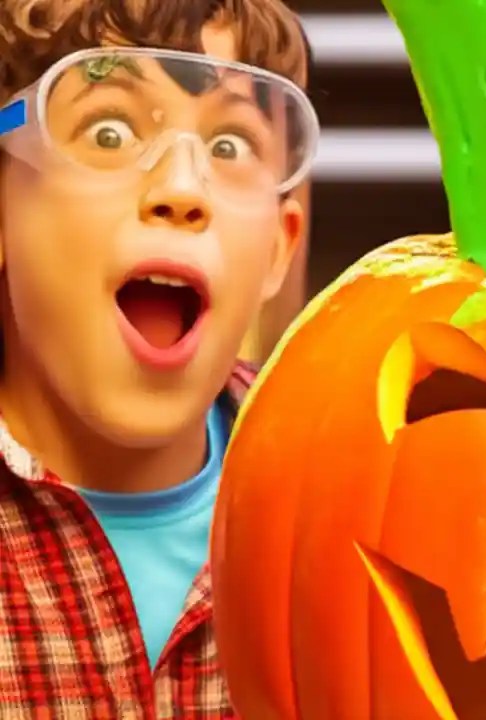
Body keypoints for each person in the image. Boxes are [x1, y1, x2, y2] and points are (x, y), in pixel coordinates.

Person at [0, 0, 315, 715]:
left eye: (230, 147)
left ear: (277, 248)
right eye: (109, 131)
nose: (181, 190)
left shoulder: (342, 489)